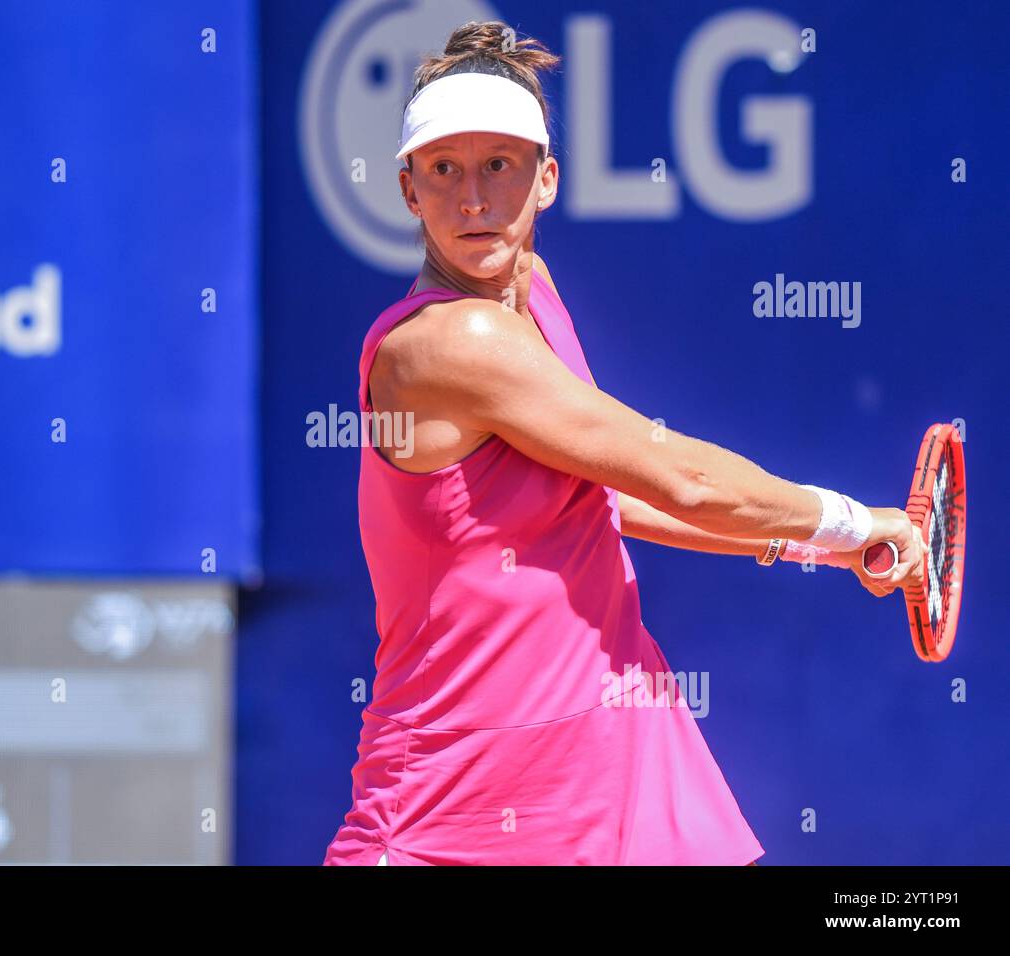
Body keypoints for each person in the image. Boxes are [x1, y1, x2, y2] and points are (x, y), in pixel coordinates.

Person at [323, 20, 925, 866]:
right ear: (407, 191)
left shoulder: (531, 295)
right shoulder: (449, 346)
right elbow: (679, 476)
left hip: (617, 783)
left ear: (547, 180)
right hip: (449, 816)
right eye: (444, 169)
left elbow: (603, 497)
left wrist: (810, 546)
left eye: (499, 164)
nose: (472, 198)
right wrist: (855, 521)